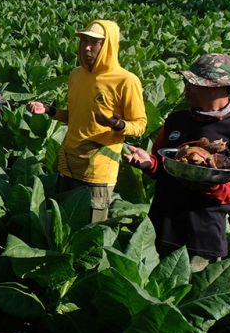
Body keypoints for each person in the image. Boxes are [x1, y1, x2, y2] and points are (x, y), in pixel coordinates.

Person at [124, 53, 230, 271]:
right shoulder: (176, 120)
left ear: (218, 88)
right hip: (159, 227)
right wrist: (148, 163)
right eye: (187, 82)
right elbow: (162, 166)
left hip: (200, 238)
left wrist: (209, 183)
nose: (187, 88)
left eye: (194, 83)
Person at [27, 20, 147, 223]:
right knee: (63, 222)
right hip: (68, 163)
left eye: (94, 43)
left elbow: (140, 124)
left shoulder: (126, 81)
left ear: (107, 44)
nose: (87, 48)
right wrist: (49, 110)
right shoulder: (76, 75)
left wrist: (117, 125)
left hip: (98, 170)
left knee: (91, 230)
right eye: (83, 41)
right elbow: (75, 116)